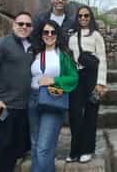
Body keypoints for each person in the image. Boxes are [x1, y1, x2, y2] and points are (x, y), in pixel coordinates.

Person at [0, 12, 35, 172]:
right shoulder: (2, 44)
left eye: (27, 25)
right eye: (21, 24)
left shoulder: (32, 46)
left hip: (24, 107)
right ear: (14, 25)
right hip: (5, 105)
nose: (24, 27)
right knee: (3, 146)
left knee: (16, 149)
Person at [28, 20, 78, 172]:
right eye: (46, 32)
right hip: (33, 99)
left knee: (43, 147)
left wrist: (54, 80)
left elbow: (74, 78)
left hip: (52, 99)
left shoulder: (63, 55)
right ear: (41, 35)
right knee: (36, 144)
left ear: (57, 34)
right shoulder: (35, 54)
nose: (49, 35)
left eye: (53, 32)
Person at [65, 6, 107, 163]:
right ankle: (75, 150)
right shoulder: (72, 35)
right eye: (80, 15)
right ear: (77, 17)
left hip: (91, 76)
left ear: (91, 17)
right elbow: (69, 56)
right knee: (75, 114)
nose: (83, 18)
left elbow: (102, 59)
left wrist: (101, 83)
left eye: (86, 15)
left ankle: (87, 149)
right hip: (77, 75)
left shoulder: (96, 35)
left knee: (90, 113)